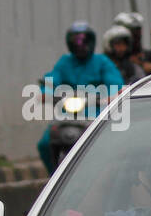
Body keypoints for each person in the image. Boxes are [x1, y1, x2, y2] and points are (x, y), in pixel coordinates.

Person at [38, 21, 124, 173]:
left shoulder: (102, 62)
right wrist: (46, 92)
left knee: (110, 143)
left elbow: (115, 84)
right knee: (45, 143)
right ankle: (53, 179)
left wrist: (110, 97)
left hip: (96, 114)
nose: (80, 45)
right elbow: (52, 80)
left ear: (91, 41)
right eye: (76, 41)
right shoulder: (64, 62)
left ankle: (107, 173)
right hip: (67, 114)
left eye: (84, 41)